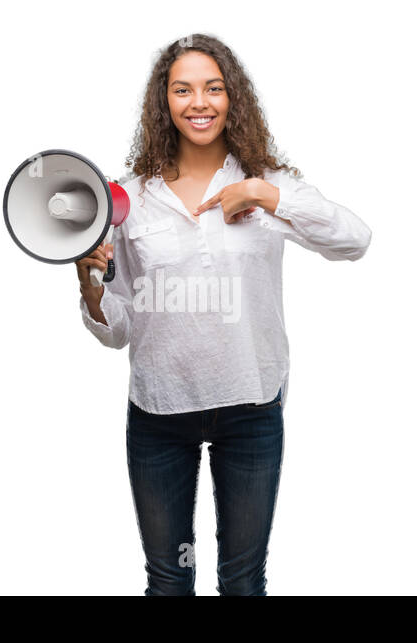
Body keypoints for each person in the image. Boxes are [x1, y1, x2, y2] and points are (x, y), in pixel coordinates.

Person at [77, 34, 371, 595]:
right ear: (163, 102)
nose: (199, 102)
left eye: (213, 88)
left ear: (232, 97)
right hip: (160, 410)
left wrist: (264, 195)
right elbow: (118, 328)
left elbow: (355, 240)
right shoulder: (128, 199)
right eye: (182, 89)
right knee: (169, 580)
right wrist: (90, 286)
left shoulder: (268, 182)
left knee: (242, 582)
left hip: (251, 406)